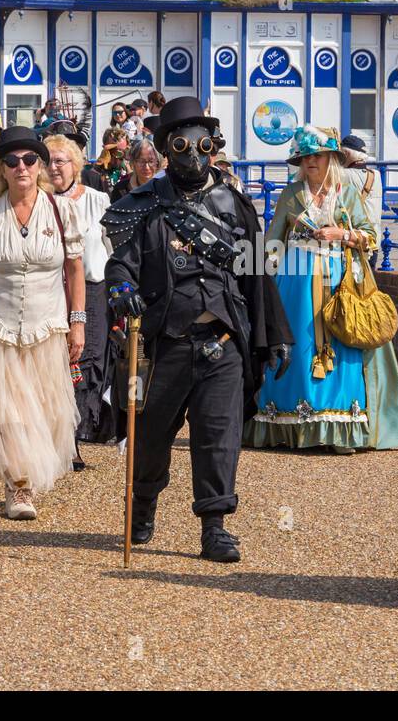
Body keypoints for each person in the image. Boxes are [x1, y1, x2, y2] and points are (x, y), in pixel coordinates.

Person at [102, 95, 293, 562]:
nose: (193, 154)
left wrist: (274, 335)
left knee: (218, 435)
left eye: (202, 144)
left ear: (213, 147)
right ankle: (142, 506)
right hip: (165, 343)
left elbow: (255, 272)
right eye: (181, 144)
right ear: (167, 148)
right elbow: (119, 265)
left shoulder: (235, 203)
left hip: (222, 341)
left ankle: (215, 525)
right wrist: (121, 290)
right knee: (149, 437)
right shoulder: (141, 205)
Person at [245, 125, 398, 454]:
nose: (310, 162)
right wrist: (260, 272)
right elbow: (275, 239)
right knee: (297, 346)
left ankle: (341, 427)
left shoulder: (346, 194)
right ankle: (290, 425)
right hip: (297, 280)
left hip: (340, 279)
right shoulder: (291, 195)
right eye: (305, 157)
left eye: (316, 155)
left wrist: (341, 235)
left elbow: (370, 236)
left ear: (331, 158)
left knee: (345, 341)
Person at [0, 126, 86, 519]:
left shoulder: (63, 211)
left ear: (40, 166)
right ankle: (18, 487)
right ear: (1, 171)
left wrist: (78, 322)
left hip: (48, 326)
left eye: (30, 159)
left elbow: (76, 270)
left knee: (43, 411)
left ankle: (27, 477)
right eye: (12, 161)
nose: (21, 166)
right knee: (7, 409)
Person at [46, 133, 116, 455]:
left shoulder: (98, 200)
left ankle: (73, 437)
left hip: (92, 290)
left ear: (75, 165)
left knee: (84, 362)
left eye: (60, 160)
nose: (53, 167)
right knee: (52, 363)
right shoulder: (39, 201)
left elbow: (113, 250)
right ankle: (56, 437)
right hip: (49, 290)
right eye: (47, 161)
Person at [81, 126, 129, 195]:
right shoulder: (89, 172)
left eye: (121, 152)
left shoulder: (129, 172)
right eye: (112, 150)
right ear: (104, 148)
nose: (117, 157)